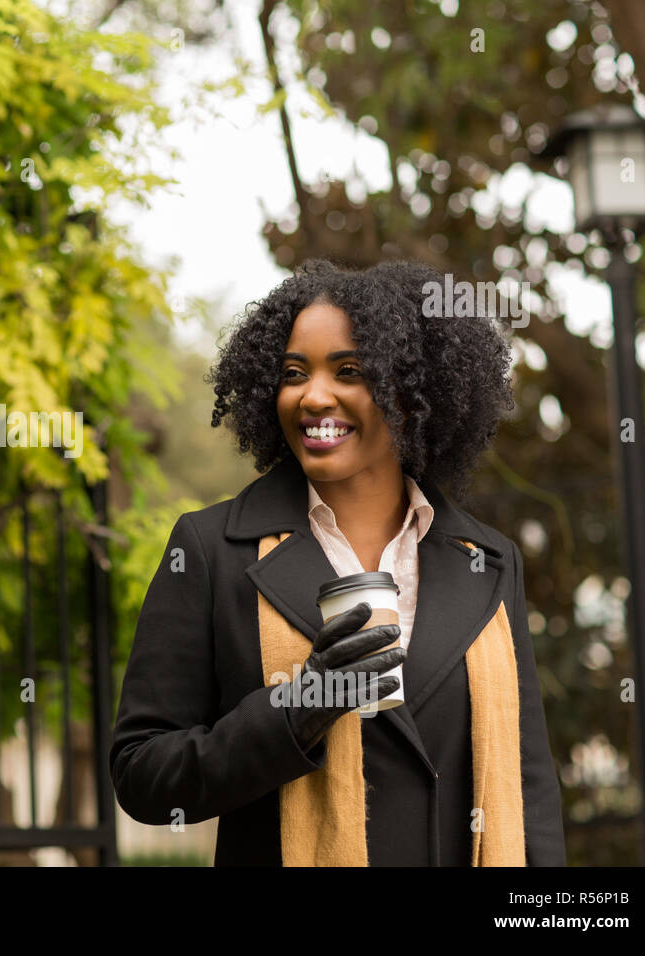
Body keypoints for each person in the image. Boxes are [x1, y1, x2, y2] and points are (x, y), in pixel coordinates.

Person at [109, 258, 566, 866]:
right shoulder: (210, 548)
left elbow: (529, 789)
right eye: (293, 373)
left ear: (412, 393)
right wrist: (297, 711)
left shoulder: (488, 560)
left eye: (349, 371)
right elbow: (142, 771)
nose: (313, 395)